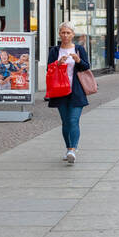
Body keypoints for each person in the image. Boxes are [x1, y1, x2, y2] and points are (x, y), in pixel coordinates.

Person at [47, 22, 91, 164]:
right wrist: (58, 64)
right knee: (65, 122)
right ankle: (68, 148)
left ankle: (73, 149)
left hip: (76, 90)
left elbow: (86, 66)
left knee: (73, 120)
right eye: (63, 32)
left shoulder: (79, 49)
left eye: (68, 33)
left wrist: (78, 60)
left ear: (73, 34)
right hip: (60, 90)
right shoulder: (54, 50)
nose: (65, 35)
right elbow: (49, 69)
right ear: (59, 34)